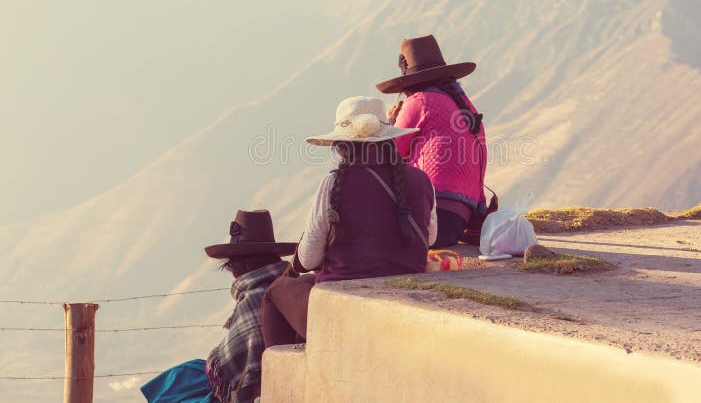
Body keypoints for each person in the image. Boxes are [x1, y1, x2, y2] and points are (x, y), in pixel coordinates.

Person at [260, 96, 437, 348]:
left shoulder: (333, 184)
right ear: (388, 139)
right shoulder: (422, 180)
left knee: (275, 292)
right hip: (405, 299)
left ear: (341, 146)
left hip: (342, 308)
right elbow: (430, 238)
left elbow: (309, 260)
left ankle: (272, 381)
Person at [141, 209, 296, 403]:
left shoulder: (255, 300)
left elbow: (240, 374)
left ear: (235, 271)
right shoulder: (288, 285)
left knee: (177, 385)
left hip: (254, 392)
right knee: (187, 373)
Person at [376, 34, 493, 248]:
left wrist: (391, 121)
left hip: (431, 217)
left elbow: (388, 153)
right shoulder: (464, 105)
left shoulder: (419, 101)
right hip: (460, 221)